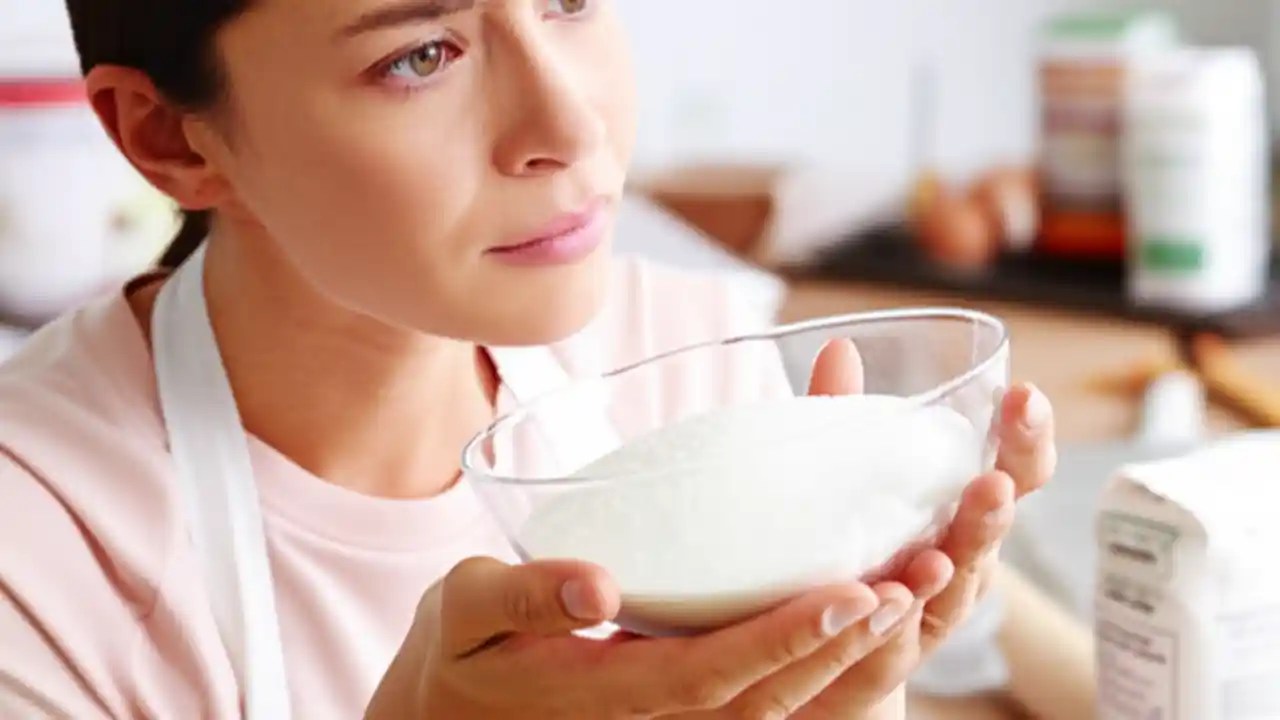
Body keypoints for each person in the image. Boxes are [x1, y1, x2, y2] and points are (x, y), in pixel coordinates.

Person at [0, 1, 1058, 717]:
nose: (567, 121)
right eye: (420, 56)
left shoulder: (695, 367)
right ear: (171, 141)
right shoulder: (38, 543)